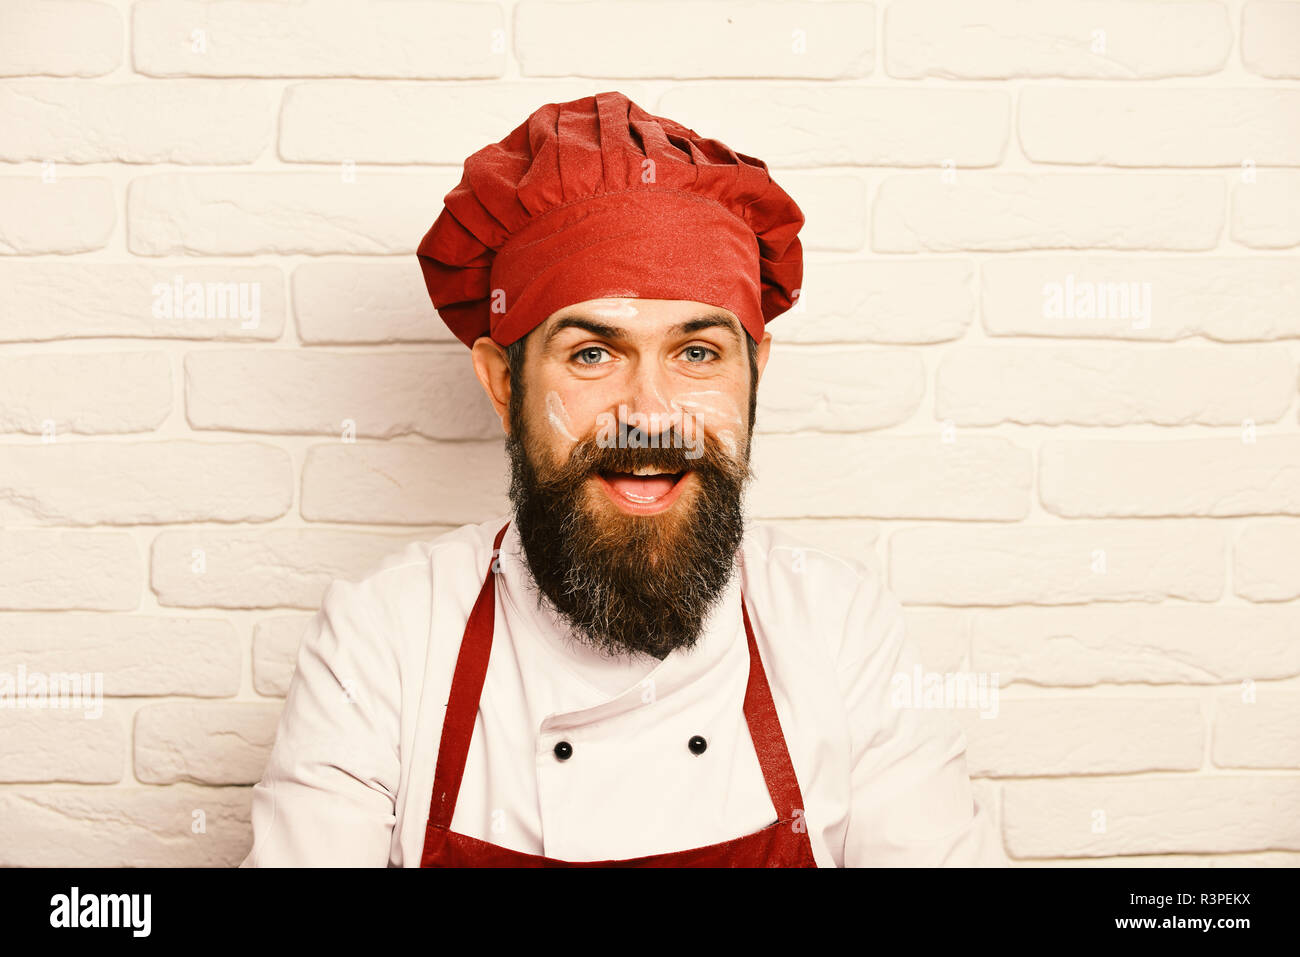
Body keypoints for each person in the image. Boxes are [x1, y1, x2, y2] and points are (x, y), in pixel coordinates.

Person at [242, 91, 1004, 867]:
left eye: (698, 353)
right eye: (592, 354)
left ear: (754, 373)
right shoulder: (386, 639)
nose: (651, 413)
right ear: (503, 384)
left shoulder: (841, 634)